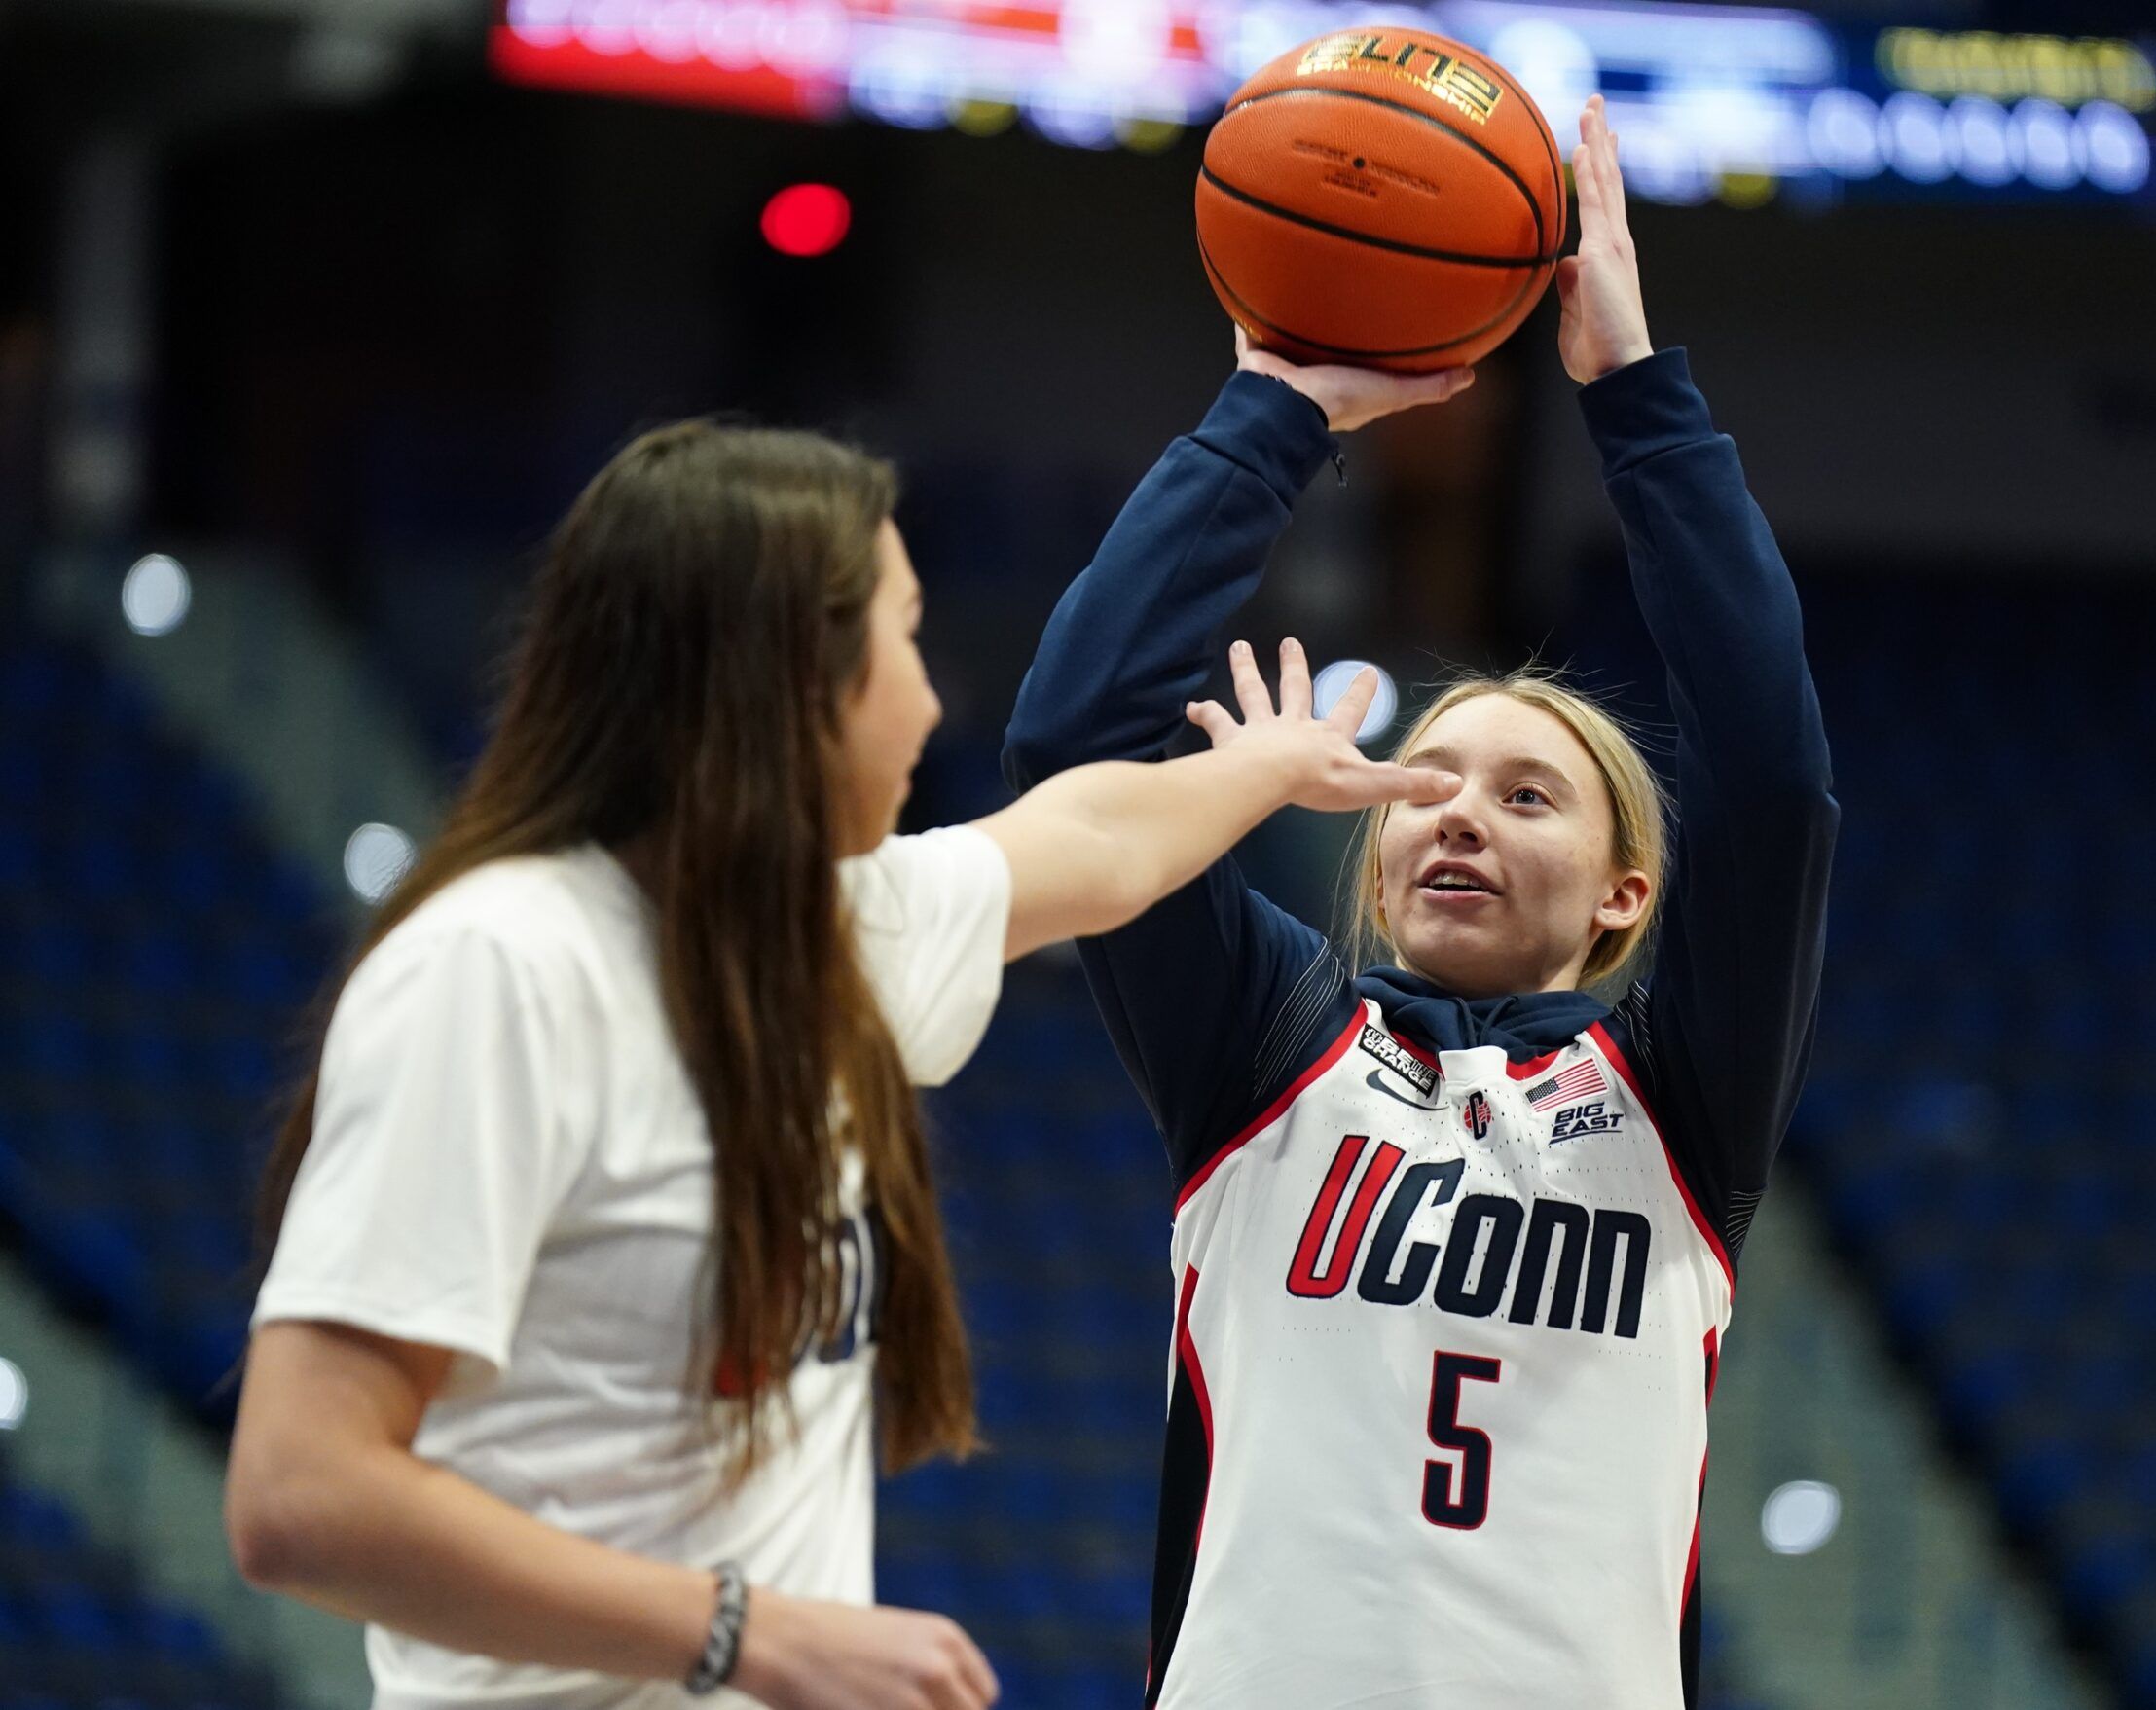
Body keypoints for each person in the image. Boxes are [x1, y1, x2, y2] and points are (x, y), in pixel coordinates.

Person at [223, 420, 1459, 1710]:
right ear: (795, 677)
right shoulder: (500, 966)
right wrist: (741, 1630)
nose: (931, 698)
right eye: (905, 637)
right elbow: (302, 1495)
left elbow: (1096, 839)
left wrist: (1267, 731)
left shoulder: (822, 930)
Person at [1002, 96, 1839, 1707]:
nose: (1458, 809)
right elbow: (1073, 747)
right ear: (1375, 849)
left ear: (1627, 893)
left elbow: (1772, 778)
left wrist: (1637, 397)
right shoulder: (1264, 1036)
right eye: (1428, 779)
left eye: (1527, 796)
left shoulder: (1681, 1099)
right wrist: (1272, 412)